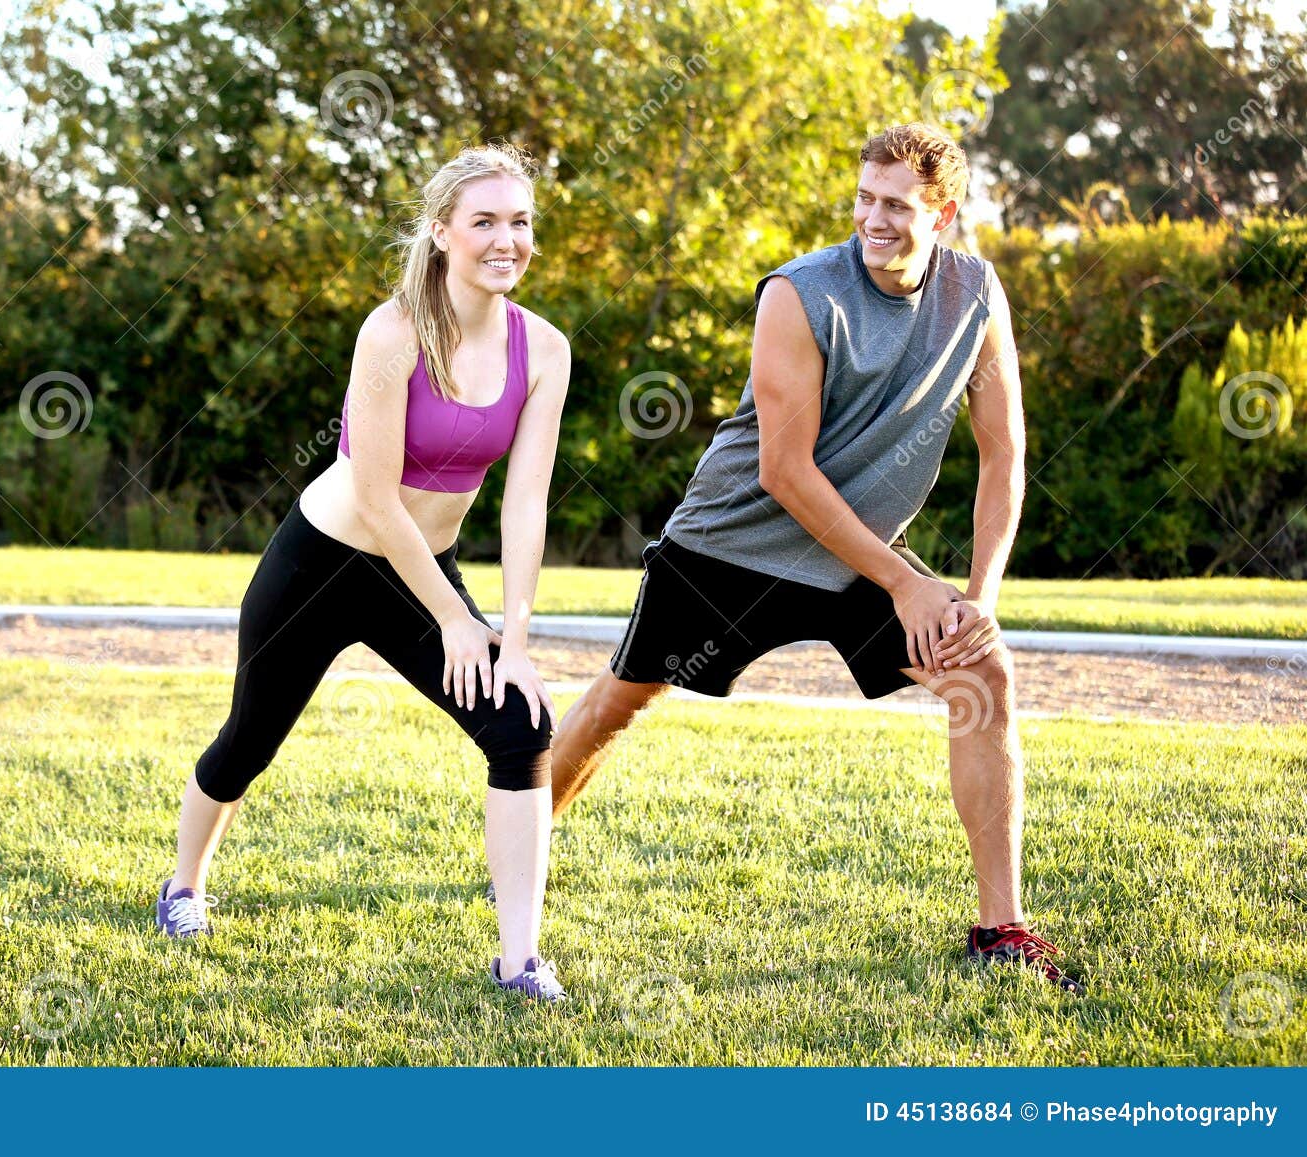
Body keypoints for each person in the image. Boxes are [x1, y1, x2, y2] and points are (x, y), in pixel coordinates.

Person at [549, 123, 1083, 993]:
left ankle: (1001, 927)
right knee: (621, 701)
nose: (875, 219)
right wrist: (908, 579)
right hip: (733, 541)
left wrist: (977, 598)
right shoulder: (800, 294)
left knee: (983, 676)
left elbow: (1004, 454)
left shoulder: (978, 296)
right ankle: (517, 847)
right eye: (865, 199)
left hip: (860, 556)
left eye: (898, 206)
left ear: (943, 214)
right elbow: (784, 471)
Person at [157, 143, 573, 1003]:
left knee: (520, 726)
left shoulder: (545, 350)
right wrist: (459, 620)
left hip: (421, 572)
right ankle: (184, 886)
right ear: (442, 232)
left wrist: (516, 637)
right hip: (324, 561)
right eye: (485, 221)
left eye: (520, 221)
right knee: (248, 742)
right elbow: (379, 501)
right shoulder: (392, 332)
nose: (507, 239)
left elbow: (525, 503)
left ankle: (519, 958)